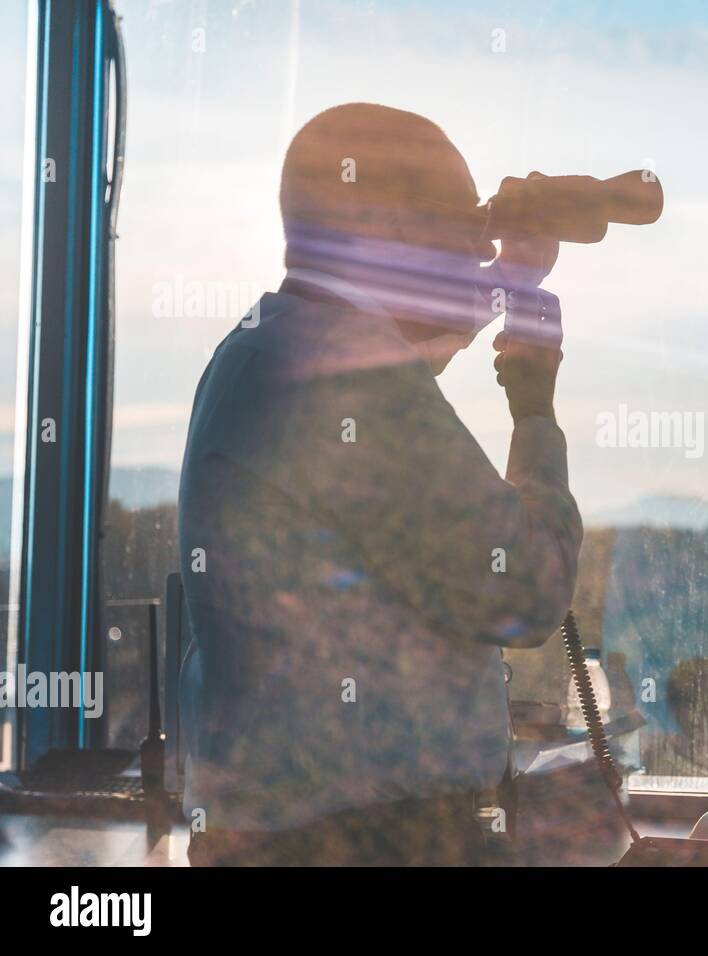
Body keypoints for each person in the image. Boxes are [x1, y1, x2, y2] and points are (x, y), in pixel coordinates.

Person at [178, 103, 582, 865]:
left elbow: (397, 360)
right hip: (371, 841)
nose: (479, 241)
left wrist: (513, 277)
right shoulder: (348, 384)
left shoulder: (268, 346)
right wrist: (535, 411)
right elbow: (525, 591)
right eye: (464, 220)